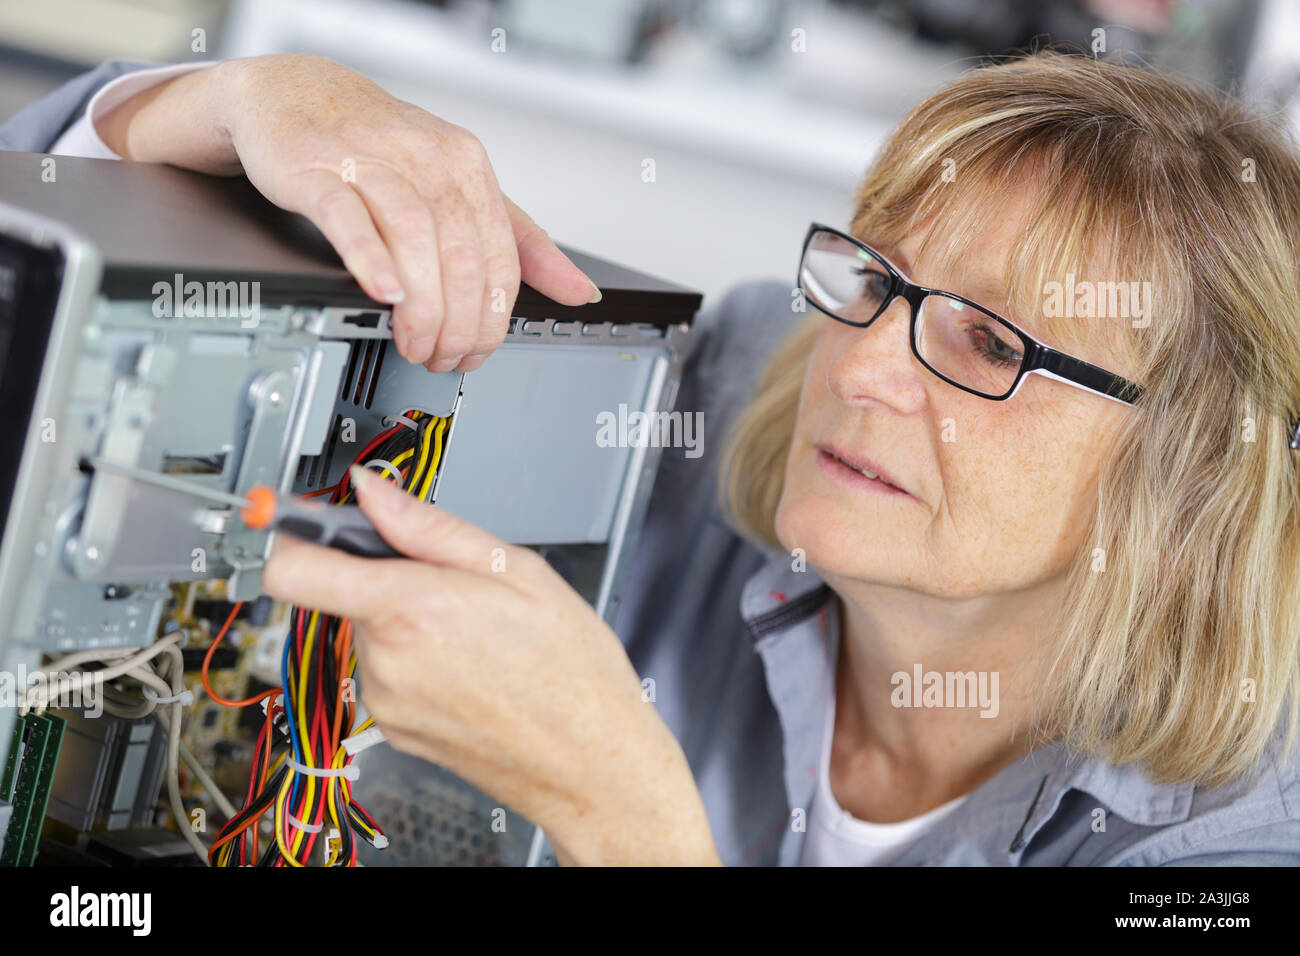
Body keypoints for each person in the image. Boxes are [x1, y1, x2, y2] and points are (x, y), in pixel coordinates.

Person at [4, 50, 1299, 866]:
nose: (864, 369)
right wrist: (204, 103)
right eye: (882, 277)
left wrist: (624, 818)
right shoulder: (735, 382)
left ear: (1192, 472)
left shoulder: (1238, 837)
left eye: (989, 342)